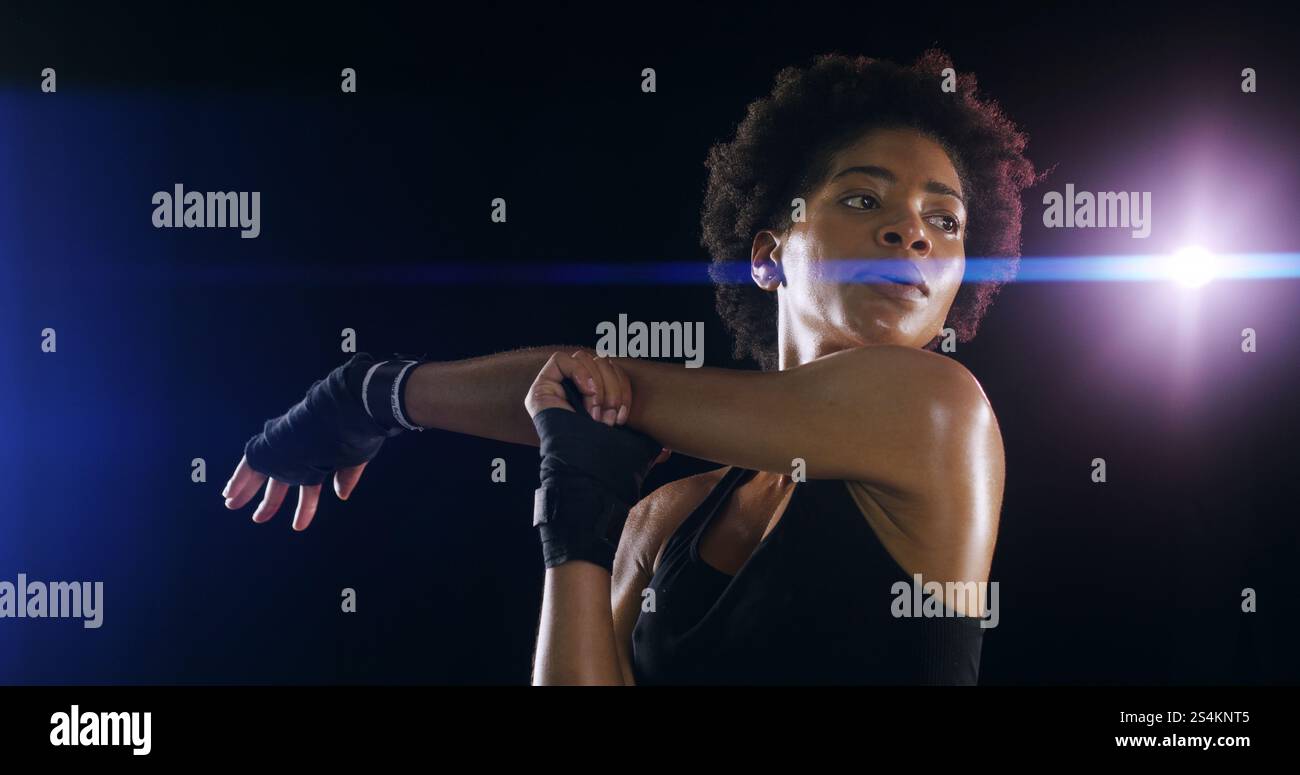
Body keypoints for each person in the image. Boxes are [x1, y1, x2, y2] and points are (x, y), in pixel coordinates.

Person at [221, 50, 1039, 684]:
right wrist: (576, 523)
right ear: (767, 254)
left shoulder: (940, 413)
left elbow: (595, 384)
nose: (912, 232)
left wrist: (367, 392)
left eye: (944, 220)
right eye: (864, 199)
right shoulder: (663, 519)